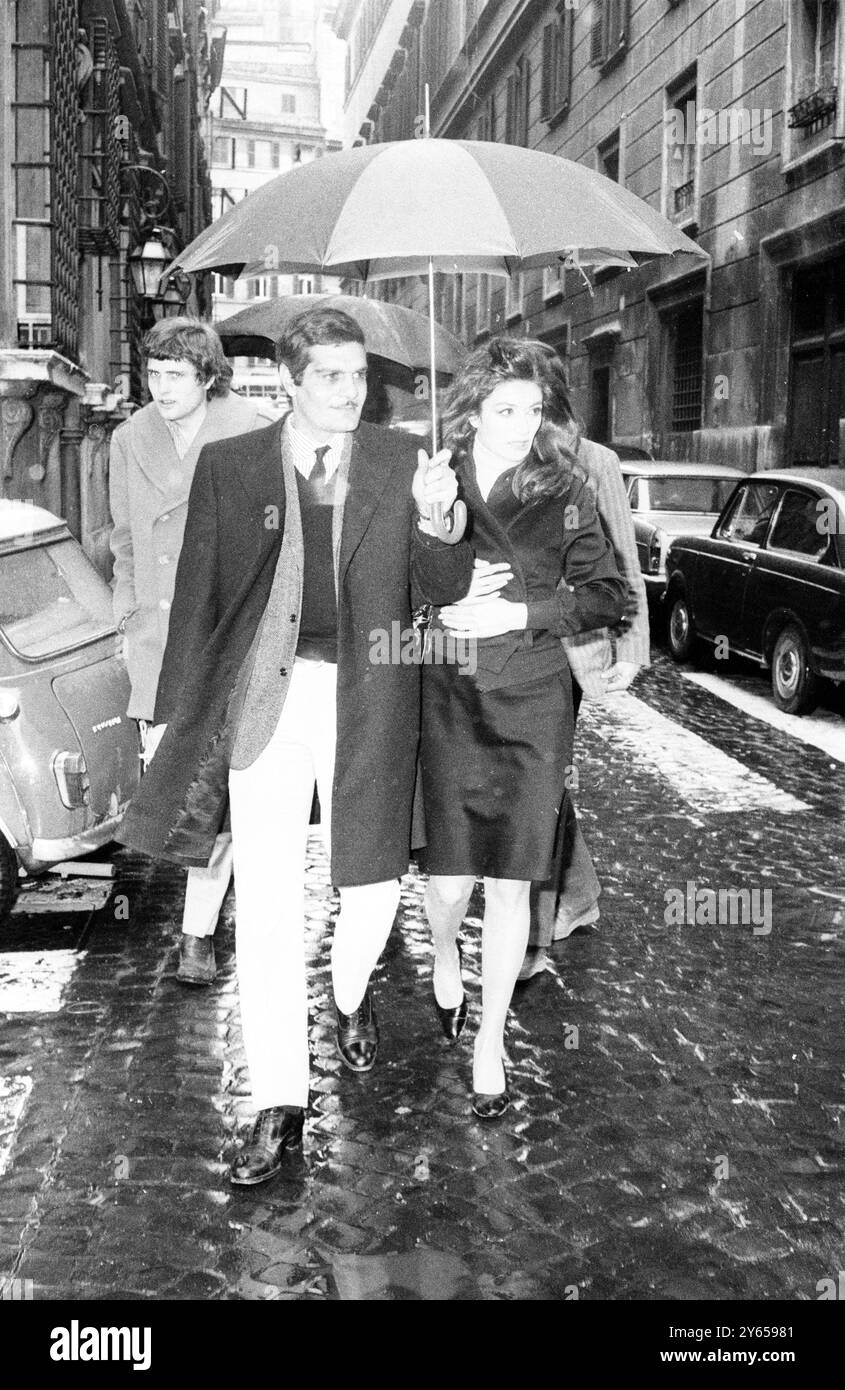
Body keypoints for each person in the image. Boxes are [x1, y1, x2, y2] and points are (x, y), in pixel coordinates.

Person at [117, 306, 472, 1185]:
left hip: (372, 699)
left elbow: (447, 590)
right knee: (269, 906)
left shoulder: (403, 465)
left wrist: (439, 525)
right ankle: (277, 1101)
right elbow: (198, 596)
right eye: (331, 377)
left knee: (374, 893)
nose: (351, 393)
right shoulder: (232, 467)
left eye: (359, 377)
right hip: (265, 701)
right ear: (291, 380)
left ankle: (349, 995)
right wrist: (174, 708)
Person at [419, 337, 628, 1119]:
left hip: (534, 697)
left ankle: (490, 1040)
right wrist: (433, 524)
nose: (519, 426)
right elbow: (411, 582)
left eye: (532, 410)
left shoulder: (564, 486)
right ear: (471, 410)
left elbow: (607, 594)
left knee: (511, 879)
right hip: (451, 693)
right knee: (447, 880)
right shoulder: (433, 476)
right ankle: (442, 951)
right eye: (503, 410)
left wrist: (523, 609)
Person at [109, 318, 276, 986]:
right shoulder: (128, 438)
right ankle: (206, 904)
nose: (162, 387)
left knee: (217, 790)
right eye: (154, 373)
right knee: (180, 788)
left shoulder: (255, 429)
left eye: (177, 374)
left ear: (209, 377)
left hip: (229, 633)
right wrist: (125, 614)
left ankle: (196, 935)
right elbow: (123, 536)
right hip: (157, 638)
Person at [521, 426, 651, 980]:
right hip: (504, 645)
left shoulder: (595, 462)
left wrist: (635, 645)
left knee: (539, 779)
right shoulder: (496, 451)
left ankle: (534, 927)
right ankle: (576, 895)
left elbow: (621, 558)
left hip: (567, 644)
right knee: (537, 777)